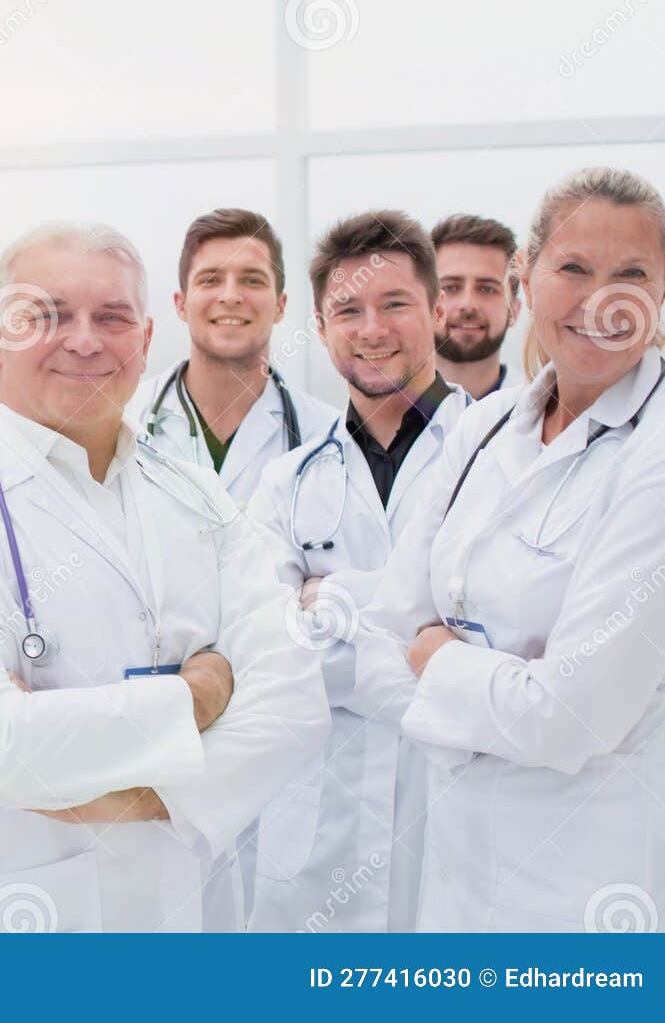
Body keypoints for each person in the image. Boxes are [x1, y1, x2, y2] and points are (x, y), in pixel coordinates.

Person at [0, 222, 329, 932]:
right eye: (45, 316)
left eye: (111, 318)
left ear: (147, 341)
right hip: (29, 913)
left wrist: (148, 800)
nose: (83, 340)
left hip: (193, 909)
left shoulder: (193, 492)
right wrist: (199, 696)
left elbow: (295, 699)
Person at [352, 167, 665, 931]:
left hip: (591, 894)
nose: (603, 301)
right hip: (455, 877)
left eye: (632, 274)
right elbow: (376, 648)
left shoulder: (659, 450)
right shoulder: (481, 429)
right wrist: (496, 697)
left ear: (663, 289)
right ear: (527, 278)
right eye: (573, 269)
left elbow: (571, 719)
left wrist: (435, 659)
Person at [246, 211, 470, 933]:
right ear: (320, 325)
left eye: (395, 304)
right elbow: (265, 654)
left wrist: (333, 598)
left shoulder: (499, 457)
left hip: (456, 810)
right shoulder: (287, 482)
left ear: (435, 310)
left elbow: (509, 635)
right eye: (348, 310)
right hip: (320, 835)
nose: (371, 328)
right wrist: (425, 626)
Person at [130, 209, 337, 503]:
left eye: (252, 280)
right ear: (181, 305)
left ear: (280, 306)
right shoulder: (124, 422)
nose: (230, 296)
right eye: (210, 280)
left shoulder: (327, 437)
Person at [432, 213, 523, 399]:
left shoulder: (545, 416)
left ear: (514, 311)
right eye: (450, 287)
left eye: (487, 289)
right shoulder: (374, 413)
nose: (468, 304)